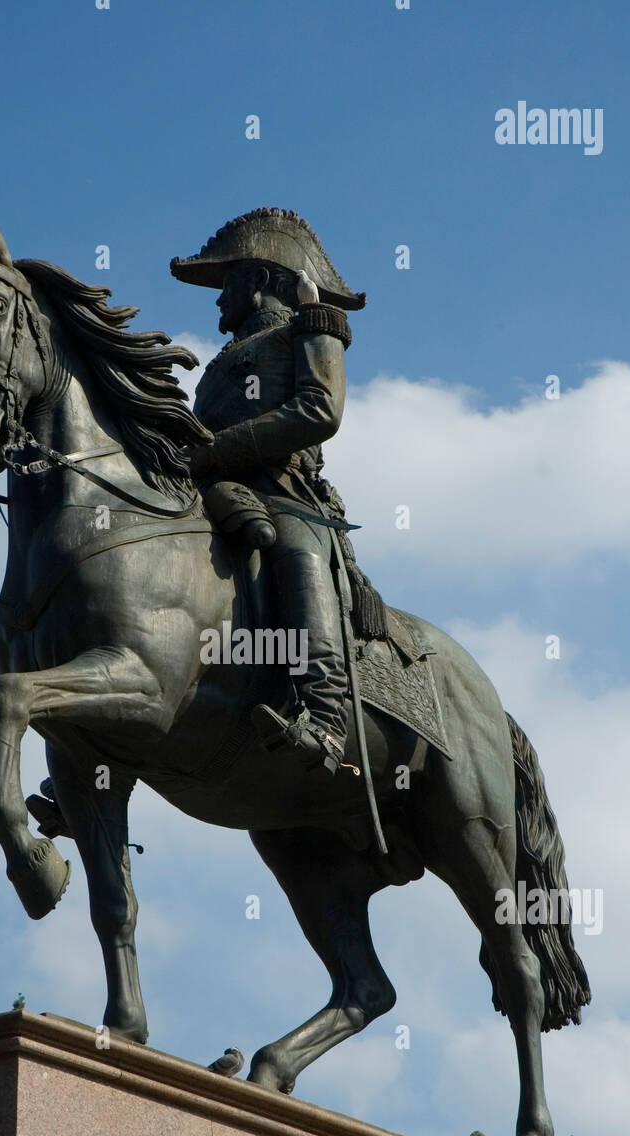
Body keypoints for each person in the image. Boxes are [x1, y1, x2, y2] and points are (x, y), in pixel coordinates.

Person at [171, 208, 367, 774]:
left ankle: (325, 717)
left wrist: (216, 450)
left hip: (286, 491)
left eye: (227, 282)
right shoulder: (222, 361)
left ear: (258, 280)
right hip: (216, 488)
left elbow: (319, 411)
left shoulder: (308, 329)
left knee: (296, 552)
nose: (218, 298)